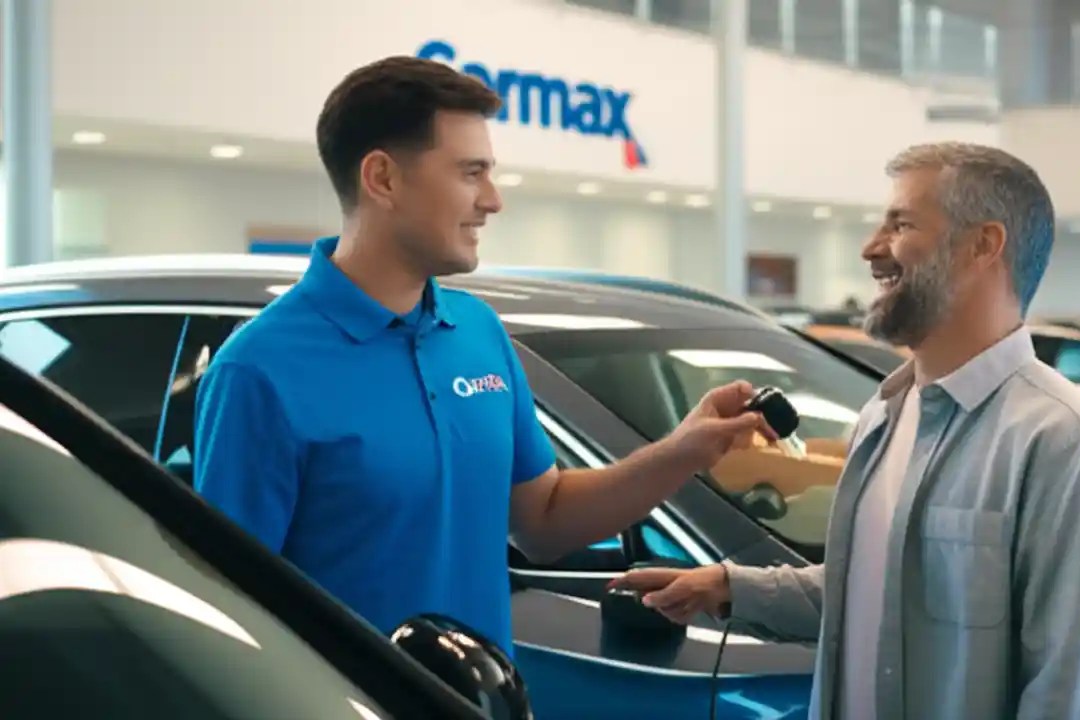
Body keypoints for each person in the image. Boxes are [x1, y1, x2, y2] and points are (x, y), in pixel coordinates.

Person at [192, 56, 770, 654]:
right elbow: (233, 615)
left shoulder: (476, 330)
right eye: (471, 173)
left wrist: (683, 451)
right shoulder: (258, 371)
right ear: (383, 179)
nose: (492, 201)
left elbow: (543, 521)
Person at [611, 142, 1080, 719]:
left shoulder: (1067, 441)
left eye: (901, 224)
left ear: (983, 245)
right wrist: (726, 586)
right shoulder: (886, 413)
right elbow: (867, 595)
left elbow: (1072, 696)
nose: (871, 248)